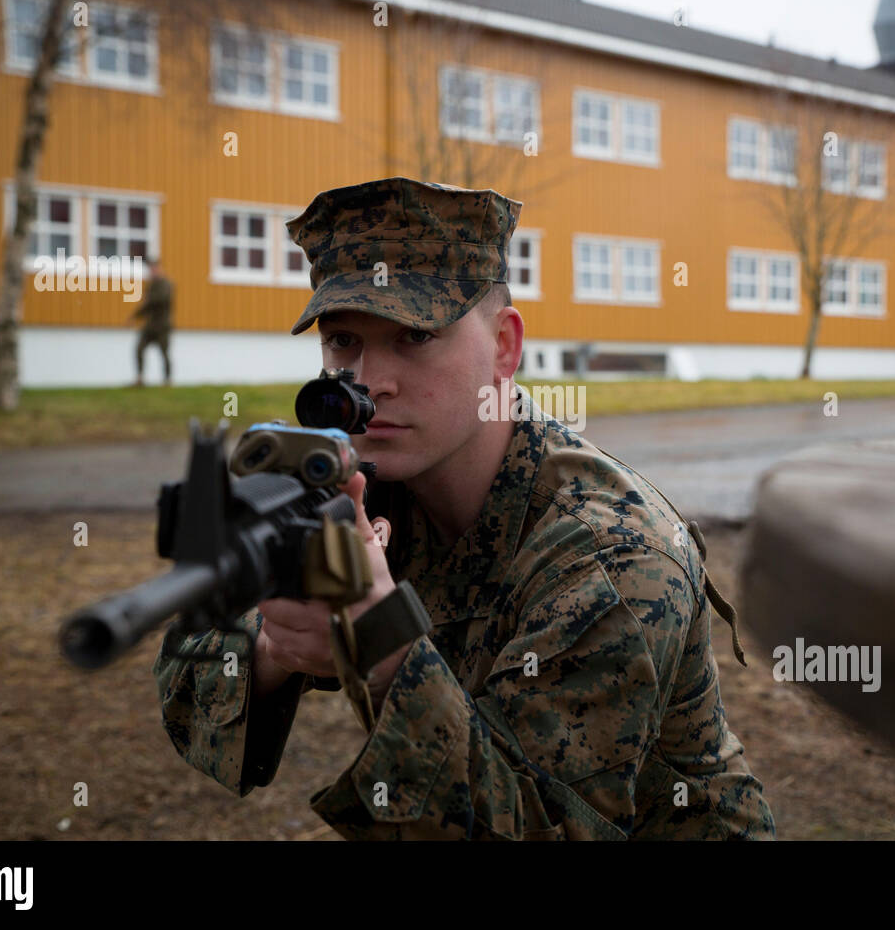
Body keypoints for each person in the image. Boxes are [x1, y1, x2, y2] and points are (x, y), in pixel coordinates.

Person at [154, 176, 776, 840]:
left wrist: (382, 644)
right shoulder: (365, 486)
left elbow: (539, 827)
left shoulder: (612, 552)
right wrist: (277, 648)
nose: (368, 382)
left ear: (505, 348)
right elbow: (189, 692)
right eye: (343, 342)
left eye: (414, 338)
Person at [131, 258, 173, 386]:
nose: (152, 271)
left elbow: (157, 300)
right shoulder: (151, 286)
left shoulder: (166, 284)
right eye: (151, 269)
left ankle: (167, 381)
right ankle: (140, 378)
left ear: (159, 269)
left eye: (154, 269)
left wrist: (147, 302)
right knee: (139, 349)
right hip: (150, 325)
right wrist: (135, 316)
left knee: (164, 353)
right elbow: (146, 306)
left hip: (162, 325)